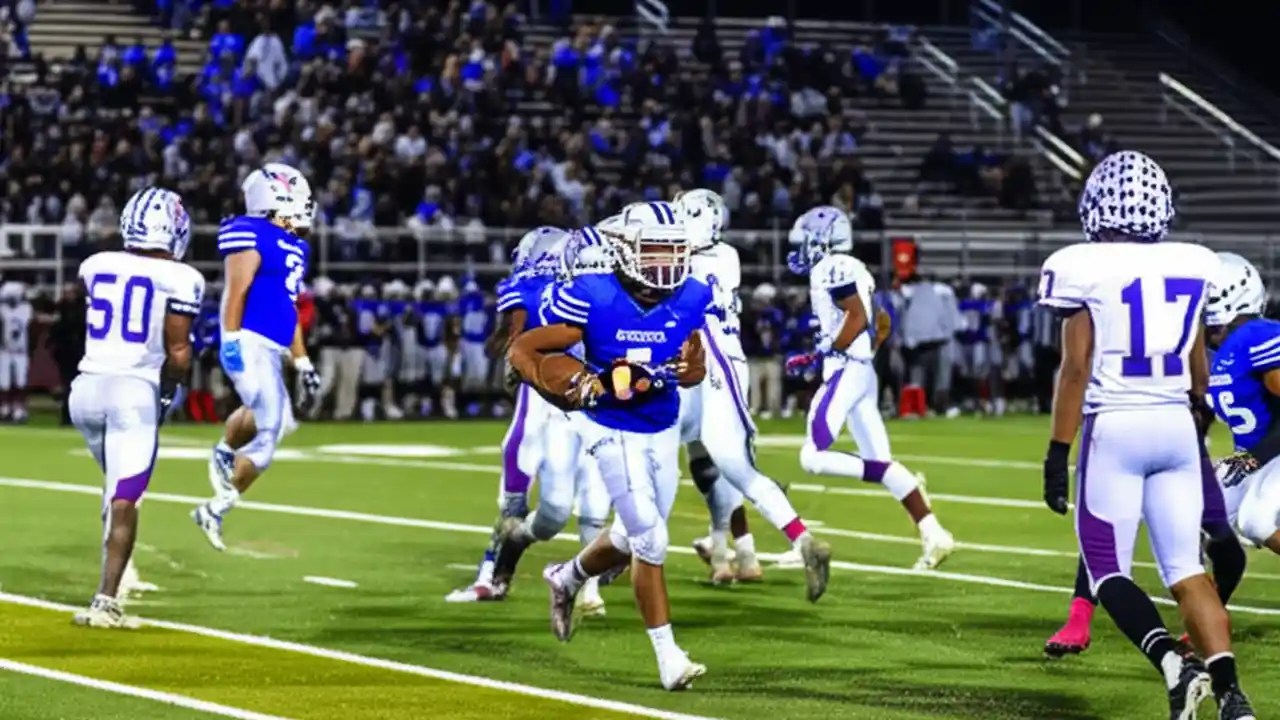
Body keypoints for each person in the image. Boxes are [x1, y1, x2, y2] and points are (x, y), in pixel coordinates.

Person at [1038, 151, 1254, 720]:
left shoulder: (1081, 265)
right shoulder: (1196, 262)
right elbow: (1195, 361)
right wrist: (1208, 416)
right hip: (1177, 428)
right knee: (1187, 570)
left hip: (1116, 428)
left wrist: (1058, 452)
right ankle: (1233, 696)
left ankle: (1172, 664)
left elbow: (1076, 368)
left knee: (1107, 570)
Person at [509, 214, 711, 691]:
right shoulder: (593, 293)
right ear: (624, 248)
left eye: (672, 250)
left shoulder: (694, 295)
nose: (666, 262)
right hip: (607, 425)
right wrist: (569, 386)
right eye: (654, 249)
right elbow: (525, 349)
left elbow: (695, 366)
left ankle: (567, 575)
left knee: (628, 536)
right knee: (650, 536)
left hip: (661, 424)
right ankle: (669, 658)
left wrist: (687, 367)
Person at [668, 191, 832, 593]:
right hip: (729, 366)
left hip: (700, 370)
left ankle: (600, 566)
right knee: (735, 469)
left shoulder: (682, 263)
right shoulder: (727, 257)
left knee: (647, 457)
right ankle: (795, 539)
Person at [788, 205, 956, 571]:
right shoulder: (855, 267)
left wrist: (827, 350)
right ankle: (934, 534)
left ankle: (795, 535)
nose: (801, 250)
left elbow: (859, 316)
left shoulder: (832, 267)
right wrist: (861, 355)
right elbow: (881, 322)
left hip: (847, 370)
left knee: (812, 456)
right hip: (861, 370)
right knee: (882, 463)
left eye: (806, 242)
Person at [69, 187, 203, 627]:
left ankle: (119, 577)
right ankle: (106, 600)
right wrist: (168, 393)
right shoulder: (183, 278)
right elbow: (179, 350)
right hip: (133, 392)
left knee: (116, 487)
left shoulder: (95, 264)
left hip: (86, 388)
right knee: (127, 495)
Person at [480, 226, 612, 616]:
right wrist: (517, 358)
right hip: (552, 402)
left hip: (593, 404)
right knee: (541, 504)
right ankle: (499, 562)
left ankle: (588, 590)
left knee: (596, 497)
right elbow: (517, 341)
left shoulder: (603, 294)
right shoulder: (544, 295)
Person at [191, 163, 321, 551]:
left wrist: (303, 361)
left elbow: (289, 307)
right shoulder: (248, 232)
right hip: (248, 341)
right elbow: (236, 291)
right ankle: (217, 507)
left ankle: (224, 451)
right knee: (271, 427)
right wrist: (229, 339)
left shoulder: (297, 245)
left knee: (275, 420)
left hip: (273, 347)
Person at [0, 281, 32, 422]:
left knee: (20, 381)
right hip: (5, 350)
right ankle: (6, 407)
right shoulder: (24, 309)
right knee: (5, 381)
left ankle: (18, 408)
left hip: (20, 349)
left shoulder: (25, 309)